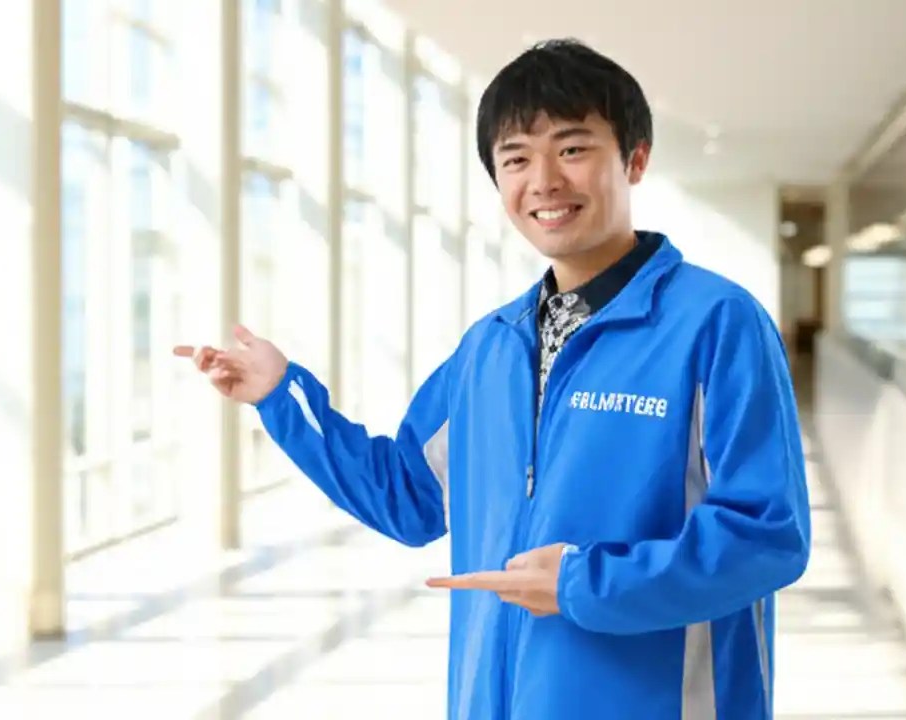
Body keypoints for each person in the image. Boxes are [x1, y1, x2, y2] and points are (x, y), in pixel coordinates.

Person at [174, 38, 810, 720]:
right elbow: (408, 498)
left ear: (635, 159)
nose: (543, 180)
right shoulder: (491, 349)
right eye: (515, 159)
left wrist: (582, 583)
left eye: (571, 149)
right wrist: (281, 398)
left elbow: (767, 534)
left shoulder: (716, 323)